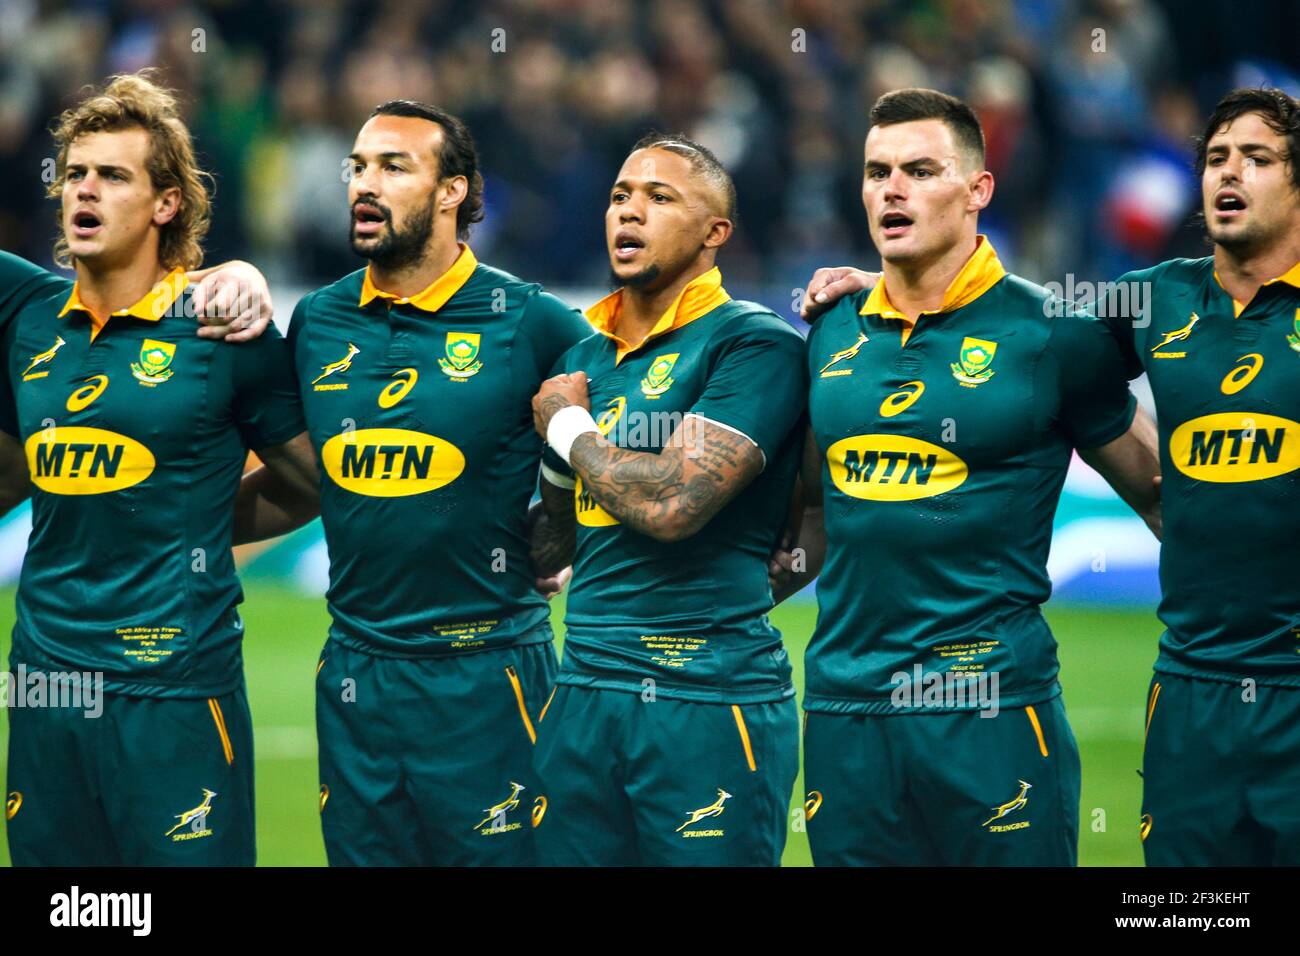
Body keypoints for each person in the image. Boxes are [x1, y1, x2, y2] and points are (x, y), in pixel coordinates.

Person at [777, 89, 1160, 866]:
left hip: (989, 708)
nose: (893, 188)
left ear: (978, 190)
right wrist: (717, 610)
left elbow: (1162, 496)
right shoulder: (829, 333)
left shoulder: (1052, 334)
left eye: (920, 170)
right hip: (846, 713)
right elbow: (815, 516)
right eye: (877, 171)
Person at [231, 100, 592, 865]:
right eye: (357, 166)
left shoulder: (531, 321)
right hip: (356, 676)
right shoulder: (321, 321)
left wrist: (563, 526)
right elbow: (307, 483)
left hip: (489, 675)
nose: (365, 183)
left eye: (393, 167)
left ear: (453, 191)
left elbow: (622, 433)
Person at [0, 72, 314, 866]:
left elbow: (310, 485)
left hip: (173, 688)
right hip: (45, 686)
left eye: (112, 176)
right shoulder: (24, 312)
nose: (85, 190)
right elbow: (14, 470)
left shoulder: (223, 331)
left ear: (165, 203)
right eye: (74, 173)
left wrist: (201, 520)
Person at [529, 134, 807, 865]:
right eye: (621, 195)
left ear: (716, 233)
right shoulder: (581, 358)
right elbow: (556, 547)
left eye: (660, 198)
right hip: (581, 686)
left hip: (706, 698)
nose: (630, 211)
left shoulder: (752, 344)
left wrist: (567, 429)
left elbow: (674, 507)